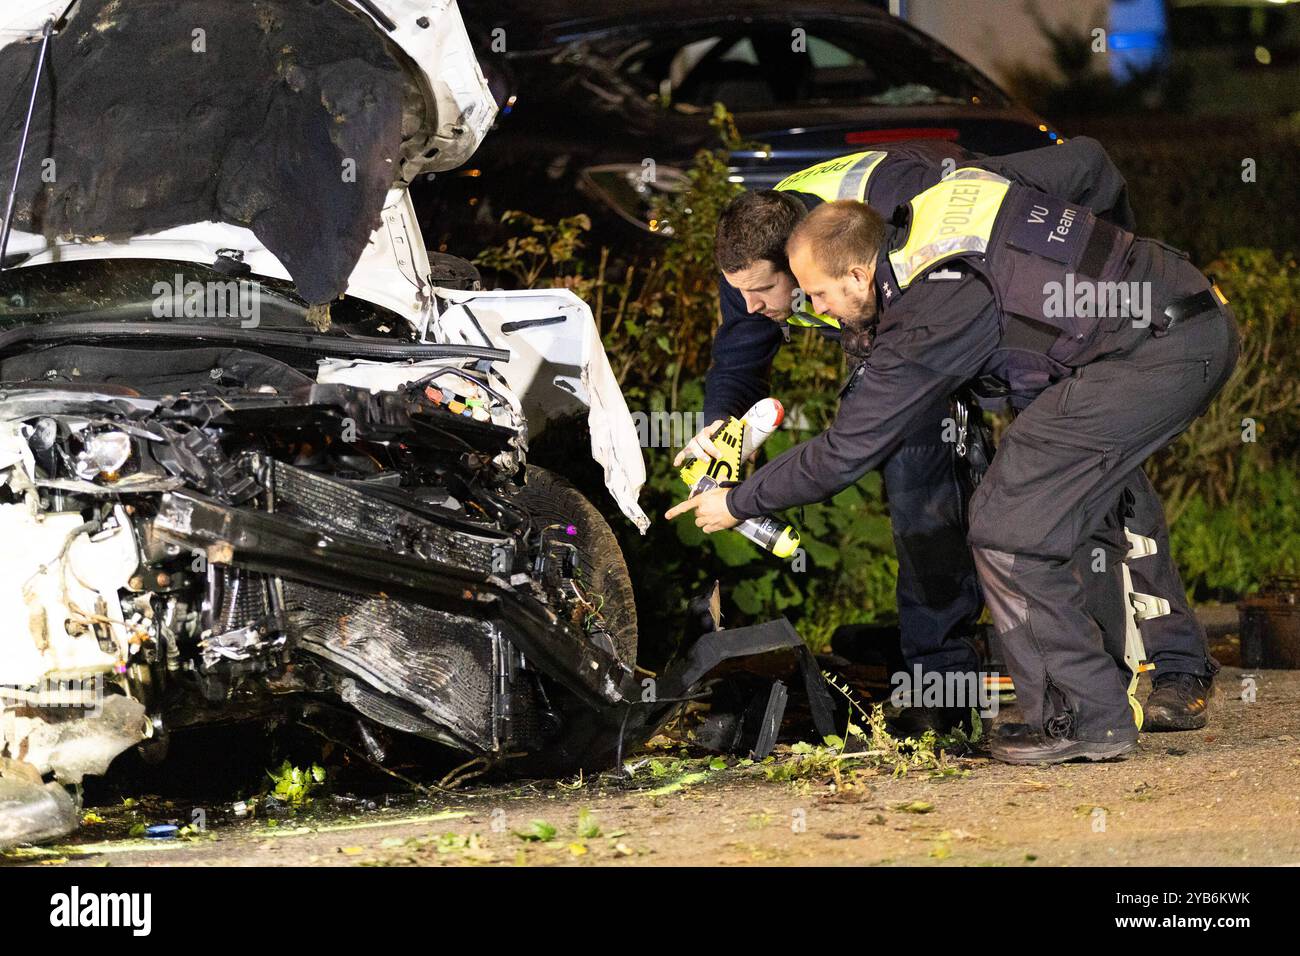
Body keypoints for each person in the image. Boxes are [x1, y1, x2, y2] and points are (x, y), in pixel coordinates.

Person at [667, 147, 1237, 763]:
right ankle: (947, 692)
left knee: (1062, 501)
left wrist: (1099, 283)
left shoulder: (910, 205)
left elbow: (1089, 167)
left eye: (770, 291)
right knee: (935, 506)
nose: (752, 305)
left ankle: (1165, 668)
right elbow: (742, 351)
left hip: (1083, 339)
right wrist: (722, 427)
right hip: (950, 339)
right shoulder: (756, 249)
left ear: (827, 267)